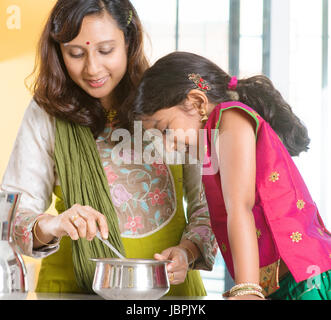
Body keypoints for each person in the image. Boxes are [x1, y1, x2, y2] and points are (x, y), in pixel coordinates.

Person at [1, 1, 217, 295]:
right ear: (58, 51)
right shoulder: (47, 111)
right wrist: (54, 225)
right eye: (75, 53)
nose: (92, 68)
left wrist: (187, 252)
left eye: (106, 50)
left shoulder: (172, 101)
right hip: (71, 290)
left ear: (129, 40)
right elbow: (12, 216)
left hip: (170, 293)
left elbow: (212, 205)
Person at [132, 51, 331, 300]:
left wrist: (247, 291)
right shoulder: (211, 143)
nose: (167, 146)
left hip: (305, 280)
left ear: (196, 102)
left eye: (165, 130)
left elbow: (240, 209)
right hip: (282, 285)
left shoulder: (230, 118)